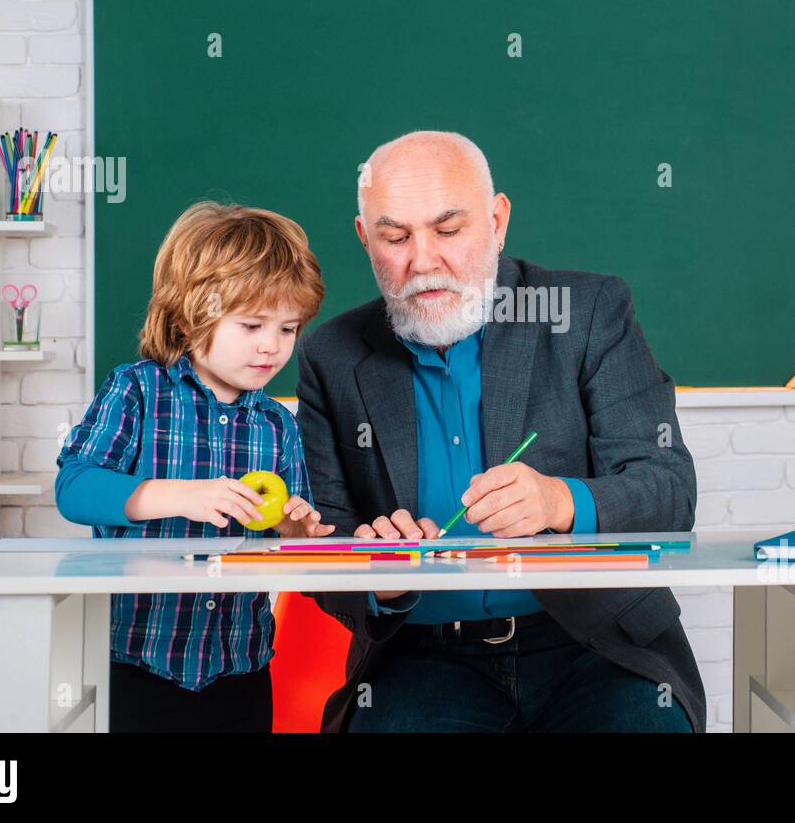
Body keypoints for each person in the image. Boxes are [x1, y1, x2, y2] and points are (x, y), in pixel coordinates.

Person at [296, 131, 704, 732]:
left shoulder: (588, 311)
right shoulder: (330, 355)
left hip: (597, 648)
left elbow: (670, 489)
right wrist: (379, 574)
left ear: (497, 219)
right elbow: (322, 541)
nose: (423, 260)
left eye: (449, 229)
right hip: (420, 657)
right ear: (365, 239)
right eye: (395, 236)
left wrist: (560, 500)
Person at [55, 201, 330, 732]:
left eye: (289, 329)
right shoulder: (137, 390)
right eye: (252, 324)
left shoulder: (279, 424)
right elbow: (75, 486)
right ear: (192, 313)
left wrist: (296, 528)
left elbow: (287, 540)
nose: (272, 346)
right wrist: (184, 496)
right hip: (135, 665)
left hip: (240, 669)